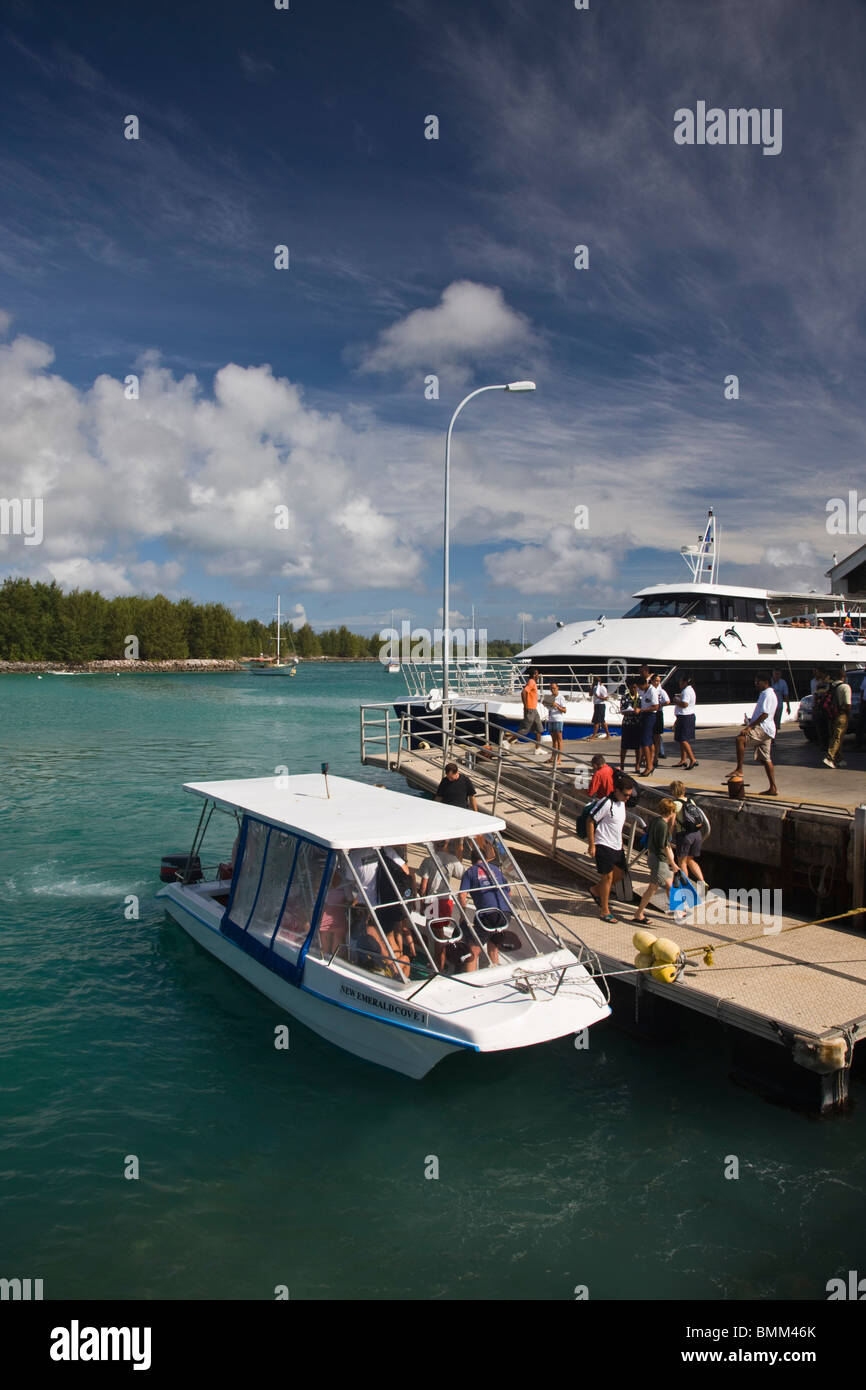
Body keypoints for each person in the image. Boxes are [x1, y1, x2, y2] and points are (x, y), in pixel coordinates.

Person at [586, 773, 634, 922]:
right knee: (608, 877)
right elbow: (590, 820)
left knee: (620, 875)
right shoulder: (607, 803)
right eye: (626, 795)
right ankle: (604, 910)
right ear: (617, 791)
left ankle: (596, 890)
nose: (628, 798)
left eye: (629, 795)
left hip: (617, 845)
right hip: (603, 844)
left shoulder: (622, 802)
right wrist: (592, 845)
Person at [459, 844, 513, 969]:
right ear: (485, 858)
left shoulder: (470, 872)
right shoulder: (495, 869)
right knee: (493, 945)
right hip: (505, 913)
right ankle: (495, 970)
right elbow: (509, 892)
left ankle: (470, 979)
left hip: (488, 914)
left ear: (471, 860)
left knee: (473, 949)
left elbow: (462, 896)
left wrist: (463, 916)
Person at [727, 674, 779, 795]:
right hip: (768, 729)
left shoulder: (767, 694)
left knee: (740, 739)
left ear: (765, 682)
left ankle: (739, 769)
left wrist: (749, 727)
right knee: (766, 759)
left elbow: (764, 714)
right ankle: (773, 788)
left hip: (763, 728)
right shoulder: (767, 694)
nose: (756, 685)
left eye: (758, 682)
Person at [634, 798, 684, 923]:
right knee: (653, 888)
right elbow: (665, 846)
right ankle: (639, 913)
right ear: (672, 811)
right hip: (659, 860)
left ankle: (677, 911)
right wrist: (673, 864)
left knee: (669, 885)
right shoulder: (663, 825)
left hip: (654, 857)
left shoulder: (656, 820)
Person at [668, 779, 710, 886]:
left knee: (682, 862)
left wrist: (668, 835)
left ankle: (685, 885)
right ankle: (702, 881)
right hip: (697, 834)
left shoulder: (674, 804)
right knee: (690, 860)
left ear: (673, 791)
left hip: (684, 835)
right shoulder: (691, 801)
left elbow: (672, 823)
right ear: (683, 790)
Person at [504, 667, 544, 751]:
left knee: (539, 729)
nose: (538, 675)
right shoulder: (531, 682)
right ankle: (508, 742)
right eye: (537, 673)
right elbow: (524, 692)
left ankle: (538, 749)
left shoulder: (533, 682)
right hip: (530, 709)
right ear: (533, 675)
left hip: (534, 709)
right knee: (524, 730)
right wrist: (526, 704)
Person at [824, 668, 852, 769]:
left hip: (831, 715)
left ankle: (840, 759)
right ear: (844, 677)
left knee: (834, 736)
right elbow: (847, 704)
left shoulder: (831, 686)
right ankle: (829, 757)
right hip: (841, 715)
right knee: (838, 737)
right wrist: (848, 715)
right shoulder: (845, 687)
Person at [673, 673, 698, 770]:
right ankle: (683, 759)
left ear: (684, 682)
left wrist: (676, 700)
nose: (679, 684)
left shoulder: (686, 691)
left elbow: (685, 704)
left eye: (680, 682)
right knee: (681, 739)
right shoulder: (689, 690)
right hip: (684, 716)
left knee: (683, 739)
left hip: (685, 717)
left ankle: (692, 759)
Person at [618, 679, 642, 773]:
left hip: (637, 723)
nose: (634, 689)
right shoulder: (625, 697)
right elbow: (622, 710)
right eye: (631, 687)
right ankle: (622, 765)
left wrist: (639, 710)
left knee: (637, 747)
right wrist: (629, 711)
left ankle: (637, 765)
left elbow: (643, 708)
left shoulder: (640, 697)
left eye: (635, 687)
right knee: (624, 746)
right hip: (627, 723)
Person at [542, 681, 567, 766]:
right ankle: (553, 757)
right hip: (551, 719)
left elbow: (564, 710)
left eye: (554, 688)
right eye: (551, 688)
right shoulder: (550, 697)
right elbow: (548, 707)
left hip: (558, 720)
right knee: (553, 740)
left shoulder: (561, 697)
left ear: (557, 688)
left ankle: (559, 758)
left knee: (559, 740)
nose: (553, 690)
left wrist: (556, 706)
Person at [637, 677, 658, 776]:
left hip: (650, 716)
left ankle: (649, 766)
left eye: (640, 687)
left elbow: (656, 706)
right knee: (648, 741)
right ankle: (650, 763)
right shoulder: (645, 691)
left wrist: (642, 710)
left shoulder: (652, 691)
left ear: (643, 684)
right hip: (645, 716)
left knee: (645, 742)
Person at [651, 673, 669, 762]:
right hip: (650, 713)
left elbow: (667, 701)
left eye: (659, 681)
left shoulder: (661, 691)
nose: (657, 683)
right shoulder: (649, 689)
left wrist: (659, 705)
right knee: (648, 736)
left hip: (658, 713)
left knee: (657, 736)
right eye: (656, 681)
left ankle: (656, 758)